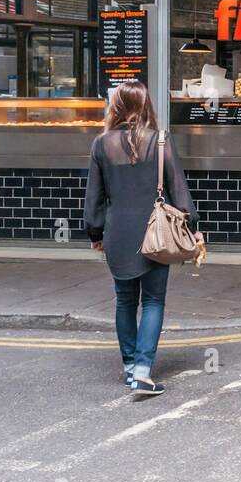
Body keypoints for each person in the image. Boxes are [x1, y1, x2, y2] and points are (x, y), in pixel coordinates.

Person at [83, 81, 197, 397]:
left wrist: (95, 232)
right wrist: (194, 228)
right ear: (146, 105)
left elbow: (93, 197)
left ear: (116, 106)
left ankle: (130, 368)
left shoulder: (101, 144)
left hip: (118, 232)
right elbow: (179, 191)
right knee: (153, 300)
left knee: (124, 300)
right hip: (156, 232)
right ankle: (144, 371)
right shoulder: (161, 141)